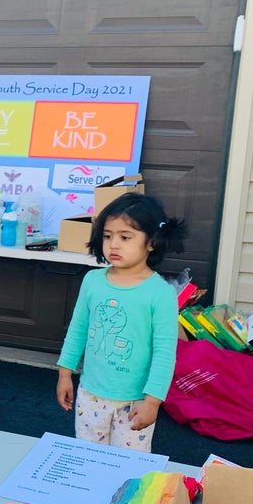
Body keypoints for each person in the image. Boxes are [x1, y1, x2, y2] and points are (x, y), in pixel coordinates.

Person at [55, 193, 187, 453]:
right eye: (107, 235)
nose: (114, 244)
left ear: (151, 242)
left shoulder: (160, 293)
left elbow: (164, 353)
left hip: (136, 400)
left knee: (128, 468)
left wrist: (153, 401)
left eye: (125, 237)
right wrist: (64, 373)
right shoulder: (93, 281)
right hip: (91, 394)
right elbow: (78, 329)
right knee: (88, 459)